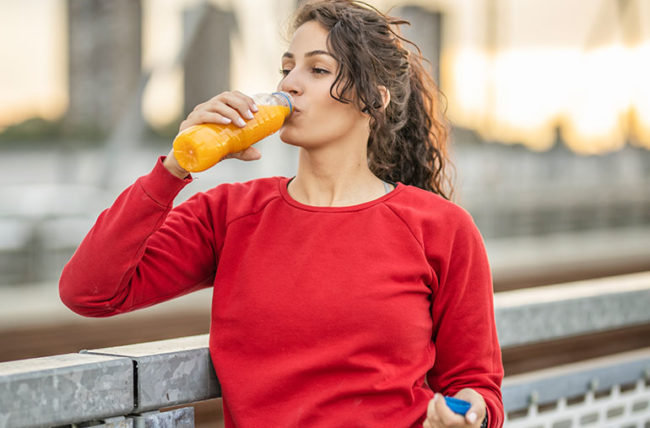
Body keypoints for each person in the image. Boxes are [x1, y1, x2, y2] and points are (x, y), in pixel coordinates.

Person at [59, 1, 504, 427]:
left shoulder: (441, 227)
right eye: (286, 67)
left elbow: (475, 386)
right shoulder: (230, 214)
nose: (288, 83)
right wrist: (176, 166)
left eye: (317, 69)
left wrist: (466, 415)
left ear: (375, 100)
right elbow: (90, 291)